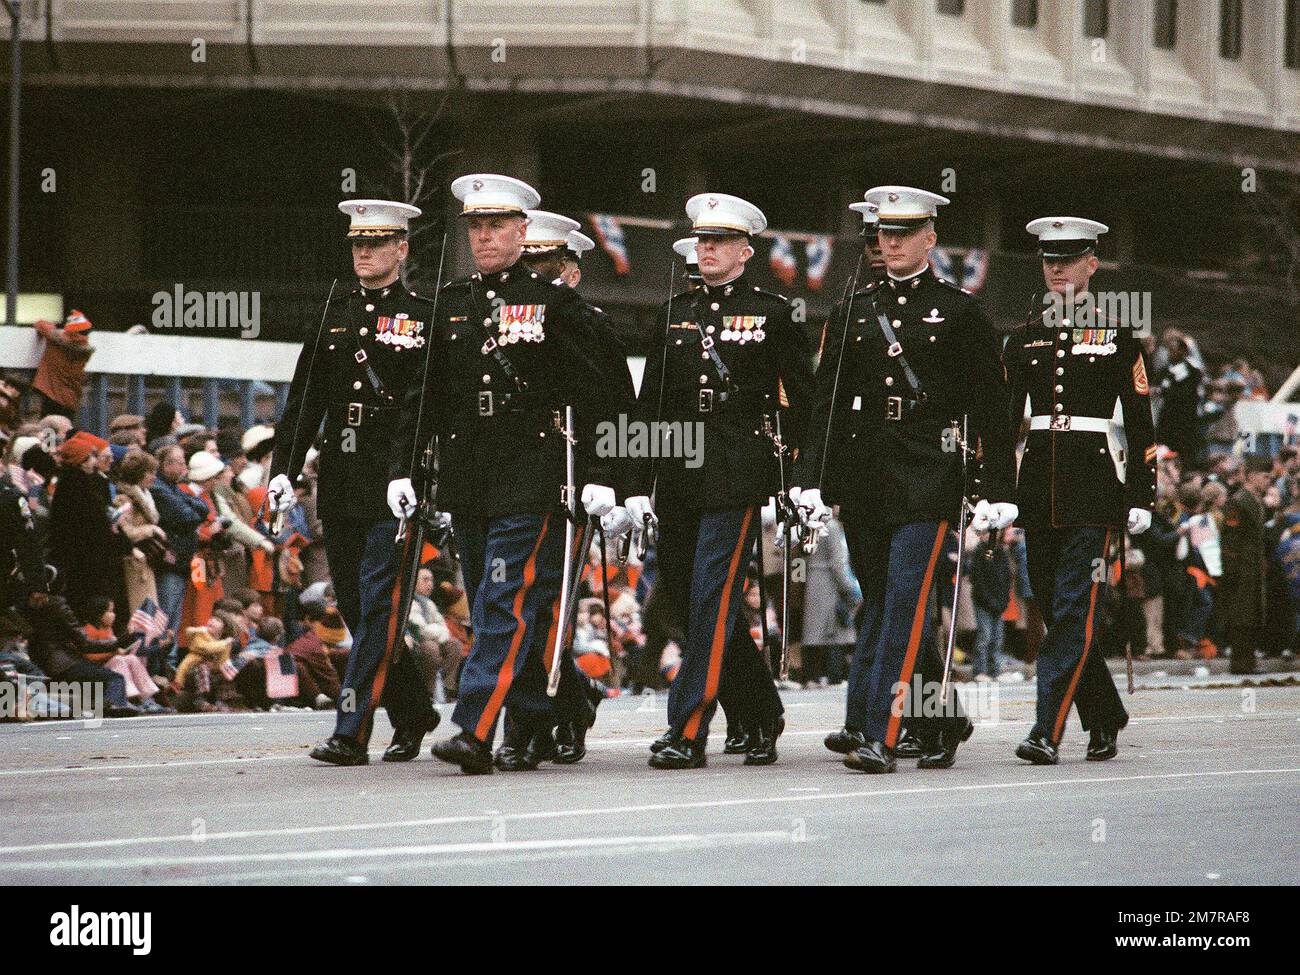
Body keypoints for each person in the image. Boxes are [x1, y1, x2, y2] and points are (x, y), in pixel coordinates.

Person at [387, 174, 618, 775]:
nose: (485, 237)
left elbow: (600, 394)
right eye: (476, 227)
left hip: (533, 472)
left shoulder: (555, 305)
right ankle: (549, 704)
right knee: (489, 603)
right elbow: (426, 396)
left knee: (506, 600)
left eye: (497, 226)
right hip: (469, 474)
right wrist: (405, 468)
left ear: (522, 232)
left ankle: (476, 727)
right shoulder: (453, 303)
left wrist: (601, 472)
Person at [793, 186, 1016, 773]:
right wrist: (811, 477)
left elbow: (992, 408)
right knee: (883, 602)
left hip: (929, 473)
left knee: (907, 605)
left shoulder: (962, 311)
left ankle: (881, 732)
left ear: (930, 238)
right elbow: (827, 404)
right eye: (883, 234)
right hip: (866, 477)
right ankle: (939, 716)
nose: (889, 243)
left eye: (903, 233)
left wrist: (998, 490)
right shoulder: (853, 311)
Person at [625, 191, 814, 770]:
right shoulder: (673, 314)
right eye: (702, 240)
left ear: (744, 250)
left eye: (719, 241)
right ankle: (758, 707)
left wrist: (801, 479)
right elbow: (648, 406)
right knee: (687, 602)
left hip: (736, 469)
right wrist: (637, 482)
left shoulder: (773, 313)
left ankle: (687, 728)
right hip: (679, 469)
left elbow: (802, 403)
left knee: (713, 596)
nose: (706, 249)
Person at [268, 198, 441, 766]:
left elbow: (427, 407)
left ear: (401, 249)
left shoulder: (425, 315)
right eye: (356, 244)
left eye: (375, 243)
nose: (363, 253)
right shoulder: (332, 310)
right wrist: (283, 472)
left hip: (397, 483)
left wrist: (413, 472)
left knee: (381, 603)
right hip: (341, 479)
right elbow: (306, 399)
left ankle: (351, 729)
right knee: (365, 610)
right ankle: (414, 710)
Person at [1004, 216, 1157, 765]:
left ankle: (1046, 728)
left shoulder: (1117, 335)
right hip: (1038, 486)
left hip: (1094, 488)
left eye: (1068, 259)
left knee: (1073, 610)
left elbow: (1140, 423)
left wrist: (1142, 493)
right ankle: (1106, 712)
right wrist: (995, 488)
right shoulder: (1022, 335)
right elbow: (1002, 422)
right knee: (1053, 607)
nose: (1058, 269)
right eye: (1049, 260)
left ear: (1092, 264)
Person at [1220, 455, 1273, 674]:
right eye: (1265, 476)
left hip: (1252, 568)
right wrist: (1231, 569)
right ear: (1251, 476)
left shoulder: (1255, 501)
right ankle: (1241, 663)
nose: (1268, 481)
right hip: (1241, 569)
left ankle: (1248, 661)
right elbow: (1230, 538)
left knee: (1251, 615)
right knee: (1241, 617)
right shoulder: (1238, 501)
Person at [32, 311, 94, 420]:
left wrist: (56, 330)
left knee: (48, 431)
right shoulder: (85, 351)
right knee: (64, 432)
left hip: (49, 393)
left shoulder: (56, 339)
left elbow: (40, 324)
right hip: (71, 399)